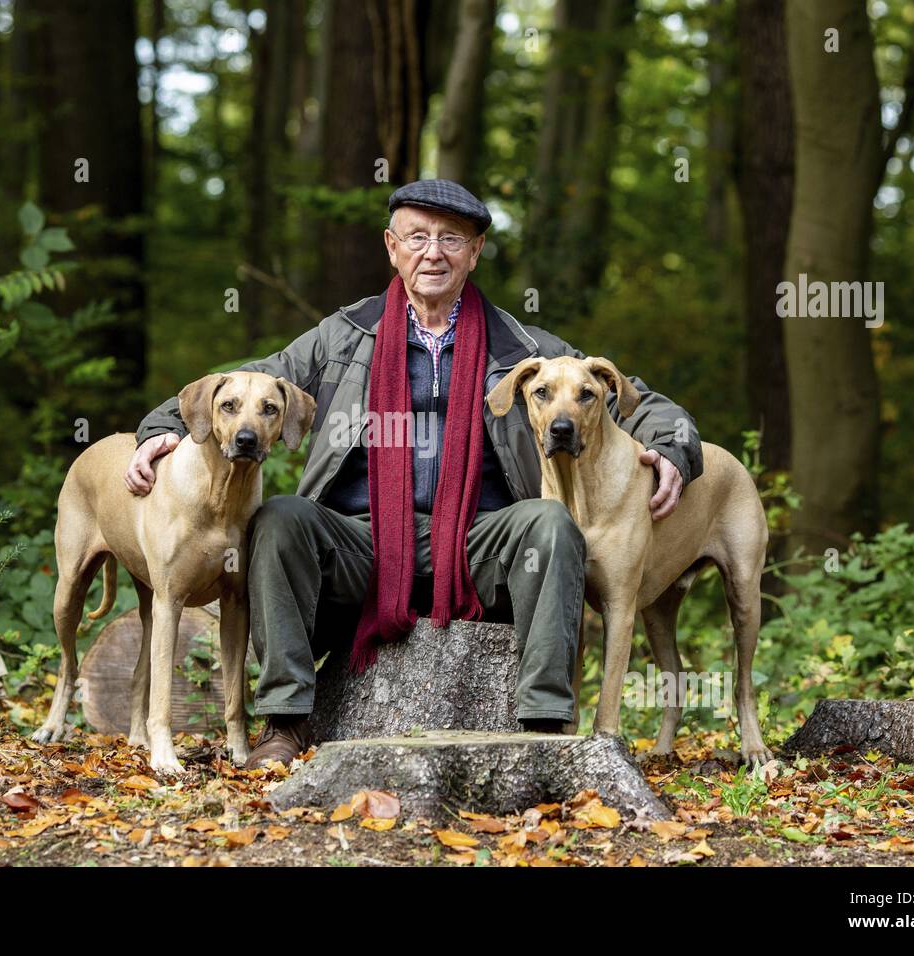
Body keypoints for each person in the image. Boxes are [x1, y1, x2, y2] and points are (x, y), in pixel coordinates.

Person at [126, 179, 703, 769]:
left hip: (483, 539)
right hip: (363, 540)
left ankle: (545, 727)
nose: (434, 253)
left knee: (552, 524)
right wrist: (161, 429)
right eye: (418, 237)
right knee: (280, 518)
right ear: (391, 247)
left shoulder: (518, 342)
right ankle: (285, 720)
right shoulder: (346, 333)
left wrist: (674, 450)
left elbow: (641, 400)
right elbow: (245, 381)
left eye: (452, 239)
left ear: (475, 253)